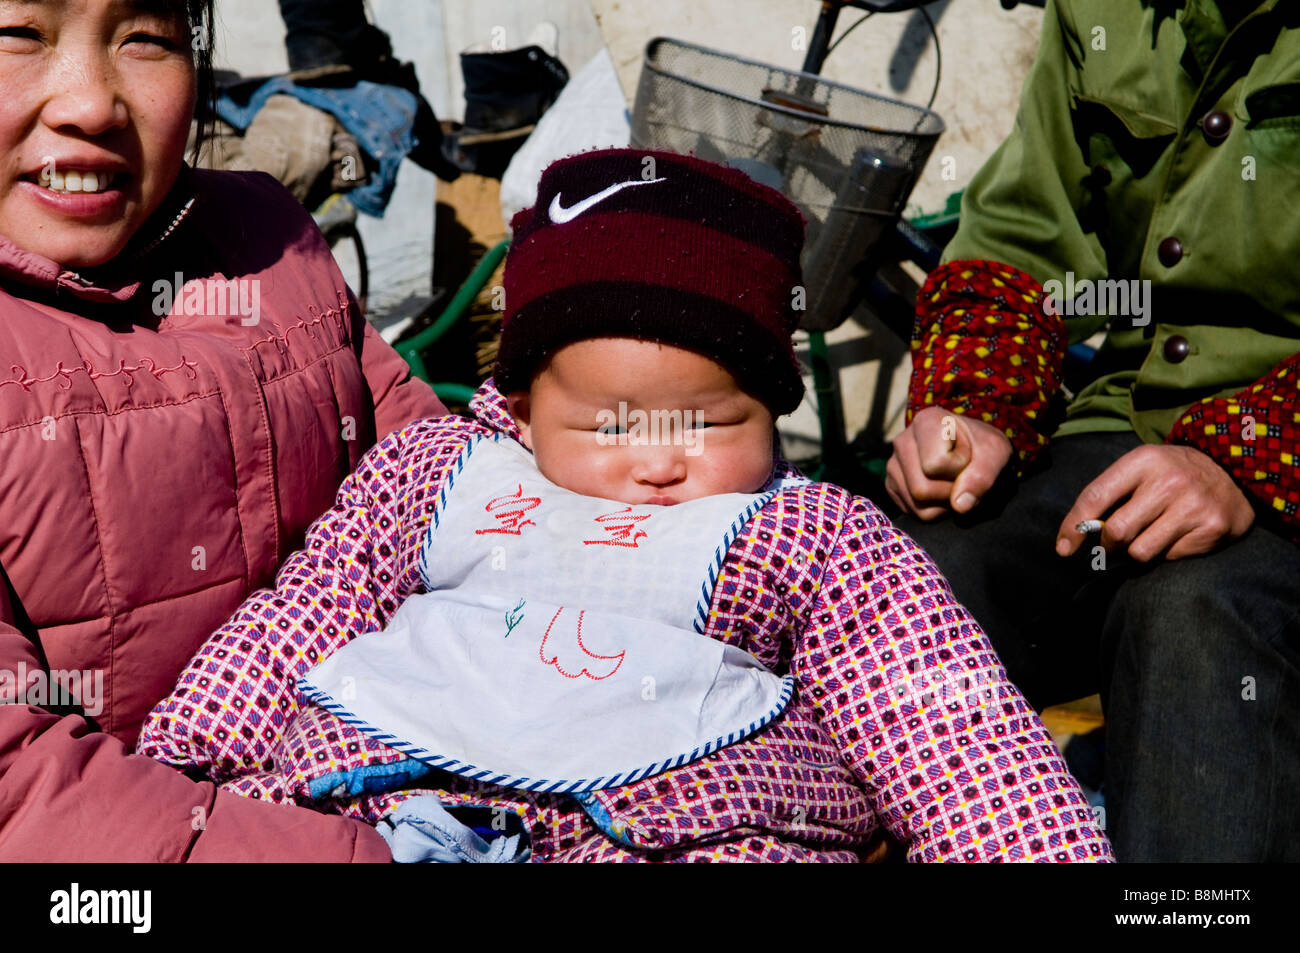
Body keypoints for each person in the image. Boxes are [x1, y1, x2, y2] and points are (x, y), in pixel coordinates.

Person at [138, 149, 1111, 863]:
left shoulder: (807, 533)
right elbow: (305, 612)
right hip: (389, 781)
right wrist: (181, 772)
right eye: (609, 426)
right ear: (523, 400)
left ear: (772, 409)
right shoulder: (437, 472)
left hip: (682, 812)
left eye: (708, 422)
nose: (657, 465)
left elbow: (938, 714)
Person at [0, 0, 444, 861]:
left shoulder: (269, 244)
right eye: (17, 34)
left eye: (147, 39)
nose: (90, 105)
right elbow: (26, 804)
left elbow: (457, 498)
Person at [886, 0, 1300, 861]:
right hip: (1131, 419)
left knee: (1192, 615)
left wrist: (1250, 453)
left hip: (1283, 435)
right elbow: (1023, 234)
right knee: (914, 578)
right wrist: (971, 401)